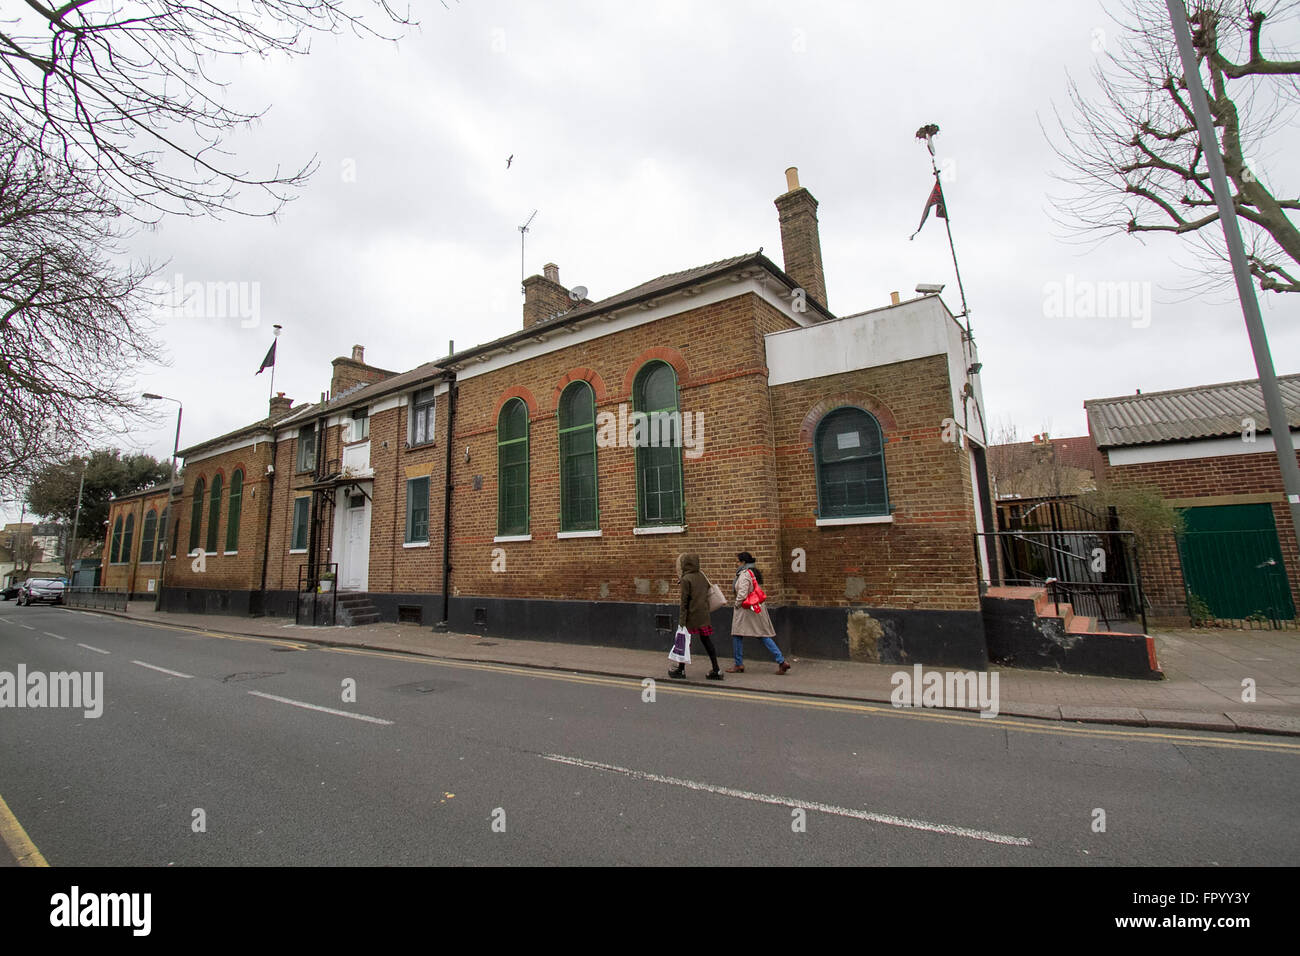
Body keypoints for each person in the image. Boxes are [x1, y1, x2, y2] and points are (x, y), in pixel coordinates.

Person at [728, 551, 790, 674]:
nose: (737, 563)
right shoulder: (753, 572)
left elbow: (742, 593)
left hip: (746, 609)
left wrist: (737, 604)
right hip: (755, 608)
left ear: (743, 562)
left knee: (737, 634)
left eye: (738, 561)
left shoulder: (745, 574)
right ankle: (781, 661)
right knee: (761, 635)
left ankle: (738, 664)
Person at [671, 553, 723, 681]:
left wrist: (681, 621)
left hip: (691, 616)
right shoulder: (702, 576)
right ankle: (716, 669)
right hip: (703, 614)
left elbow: (684, 602)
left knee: (684, 642)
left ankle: (681, 670)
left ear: (684, 564)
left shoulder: (686, 579)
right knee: (707, 641)